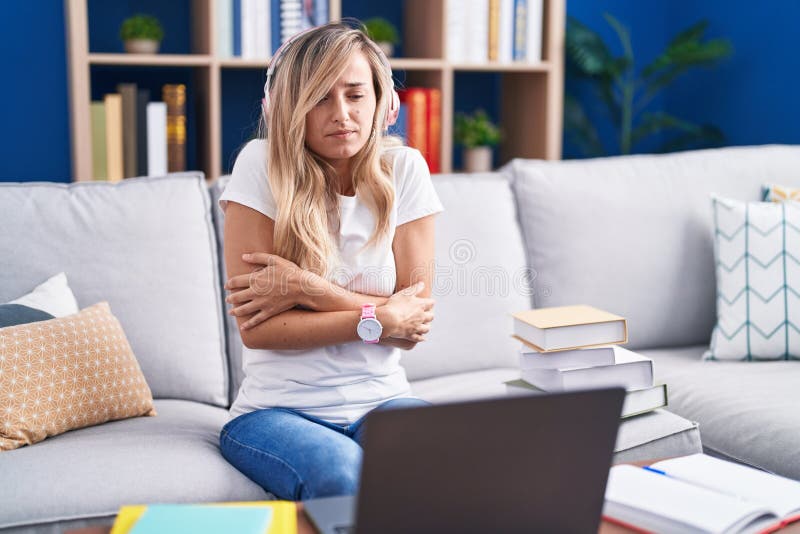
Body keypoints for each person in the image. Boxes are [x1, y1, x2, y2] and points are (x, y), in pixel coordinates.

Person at [216, 21, 444, 501]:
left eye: (355, 95)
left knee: (452, 458)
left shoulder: (406, 170)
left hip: (383, 399)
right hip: (276, 411)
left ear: (384, 102)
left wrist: (309, 289)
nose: (341, 114)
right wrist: (379, 317)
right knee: (343, 475)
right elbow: (259, 330)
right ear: (287, 108)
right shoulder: (260, 164)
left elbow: (413, 325)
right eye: (320, 98)